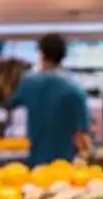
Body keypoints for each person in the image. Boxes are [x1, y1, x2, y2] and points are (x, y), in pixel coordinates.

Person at [9, 33, 92, 166]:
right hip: (67, 163)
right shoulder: (75, 89)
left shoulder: (28, 83)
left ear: (41, 54)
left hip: (37, 159)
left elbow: (8, 103)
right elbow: (82, 134)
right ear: (64, 56)